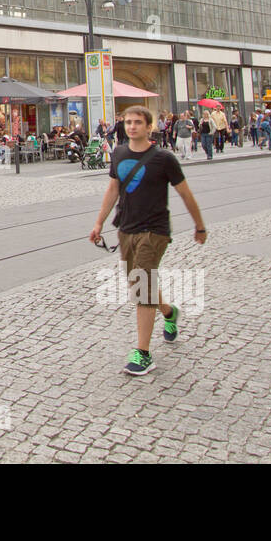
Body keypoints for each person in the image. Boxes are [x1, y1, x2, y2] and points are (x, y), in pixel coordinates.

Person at [89, 106, 207, 376]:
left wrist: (199, 226)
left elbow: (186, 195)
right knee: (141, 283)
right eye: (128, 122)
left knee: (142, 284)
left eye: (138, 123)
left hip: (155, 231)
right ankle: (168, 312)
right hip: (126, 229)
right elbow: (113, 189)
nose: (132, 127)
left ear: (149, 127)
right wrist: (98, 223)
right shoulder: (118, 153)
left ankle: (142, 353)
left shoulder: (163, 159)